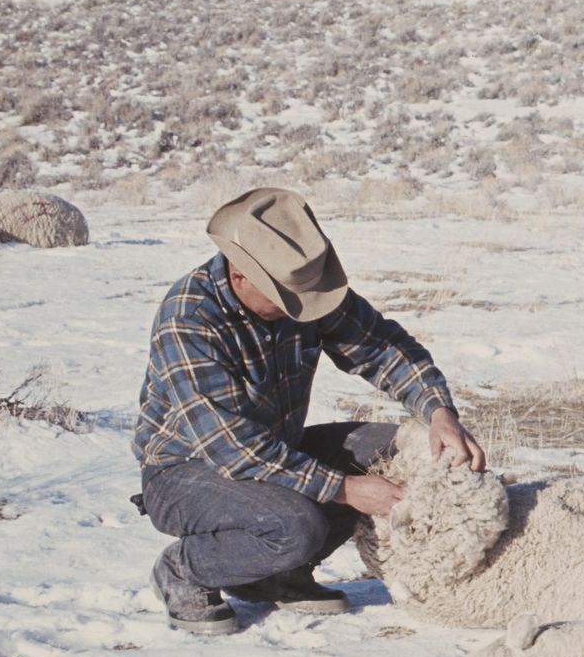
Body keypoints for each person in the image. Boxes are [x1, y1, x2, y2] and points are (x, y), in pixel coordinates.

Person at [133, 187, 484, 634]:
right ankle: (186, 570)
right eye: (288, 299)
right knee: (296, 526)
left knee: (395, 450)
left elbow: (383, 348)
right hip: (185, 473)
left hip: (275, 451)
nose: (302, 309)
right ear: (240, 275)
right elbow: (234, 448)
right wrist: (345, 488)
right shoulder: (188, 320)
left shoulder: (298, 293)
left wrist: (438, 412)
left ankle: (274, 575)